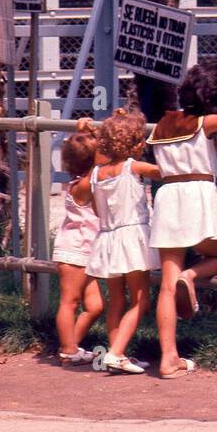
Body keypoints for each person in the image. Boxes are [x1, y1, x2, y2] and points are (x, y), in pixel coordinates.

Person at [148, 61, 217, 379]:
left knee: (165, 285)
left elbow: (182, 144)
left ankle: (167, 358)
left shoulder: (163, 122)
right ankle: (190, 277)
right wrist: (216, 129)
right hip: (198, 195)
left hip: (167, 197)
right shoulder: (206, 123)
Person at [76, 110, 159, 375]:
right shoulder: (133, 167)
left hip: (108, 237)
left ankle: (118, 353)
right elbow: (164, 172)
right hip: (132, 238)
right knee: (140, 299)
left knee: (116, 300)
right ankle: (116, 352)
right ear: (137, 144)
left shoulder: (96, 173)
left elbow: (98, 211)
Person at [51, 130, 104, 366]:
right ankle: (68, 349)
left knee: (95, 306)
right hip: (74, 251)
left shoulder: (86, 181)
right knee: (69, 302)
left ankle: (70, 346)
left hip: (86, 252)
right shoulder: (84, 185)